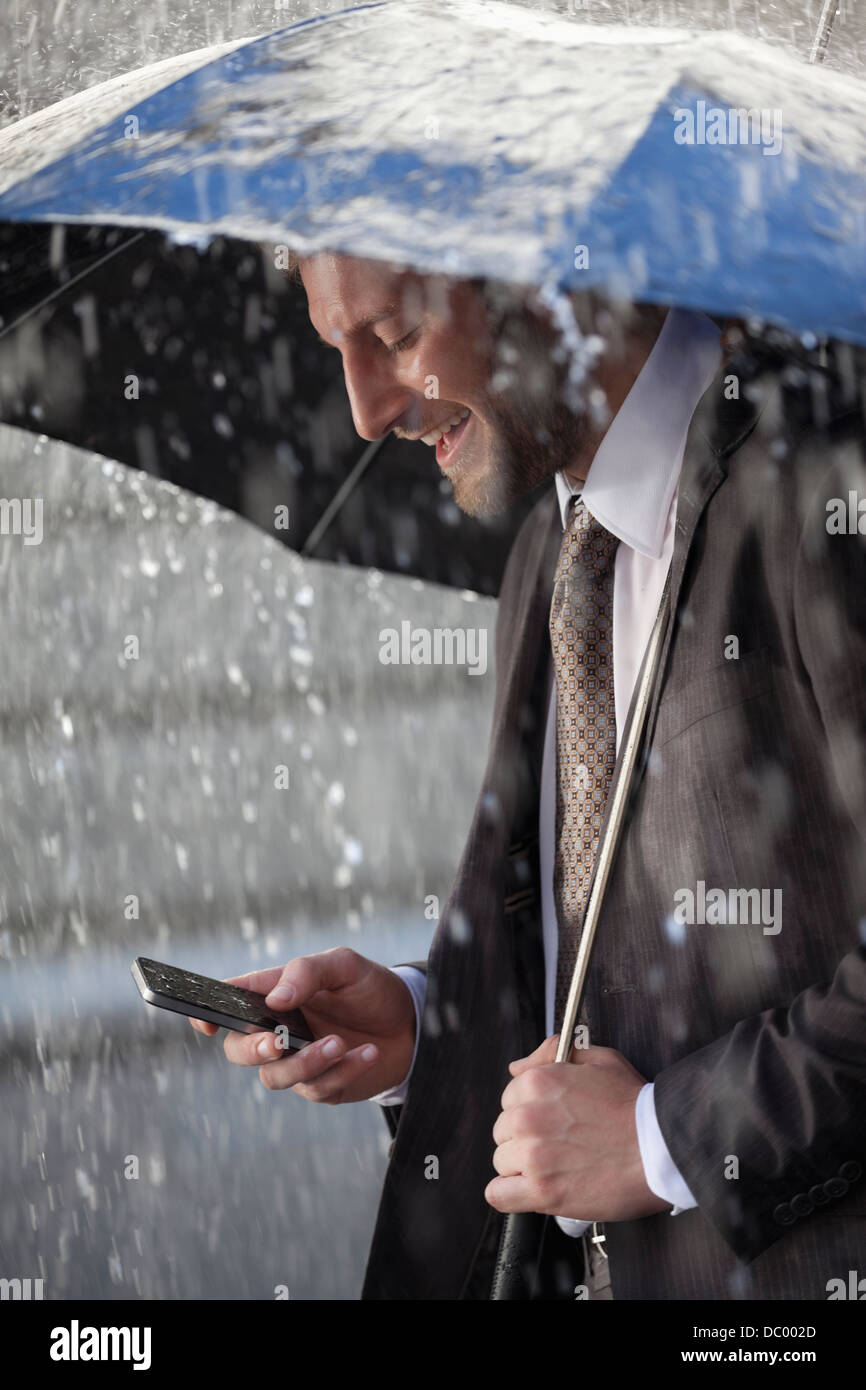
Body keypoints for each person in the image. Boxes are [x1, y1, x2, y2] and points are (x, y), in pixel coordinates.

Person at [192, 251, 866, 1300]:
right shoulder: (545, 560)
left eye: (395, 336)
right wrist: (425, 1033)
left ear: (542, 272)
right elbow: (605, 967)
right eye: (339, 352)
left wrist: (663, 1142)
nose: (366, 411)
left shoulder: (826, 481)